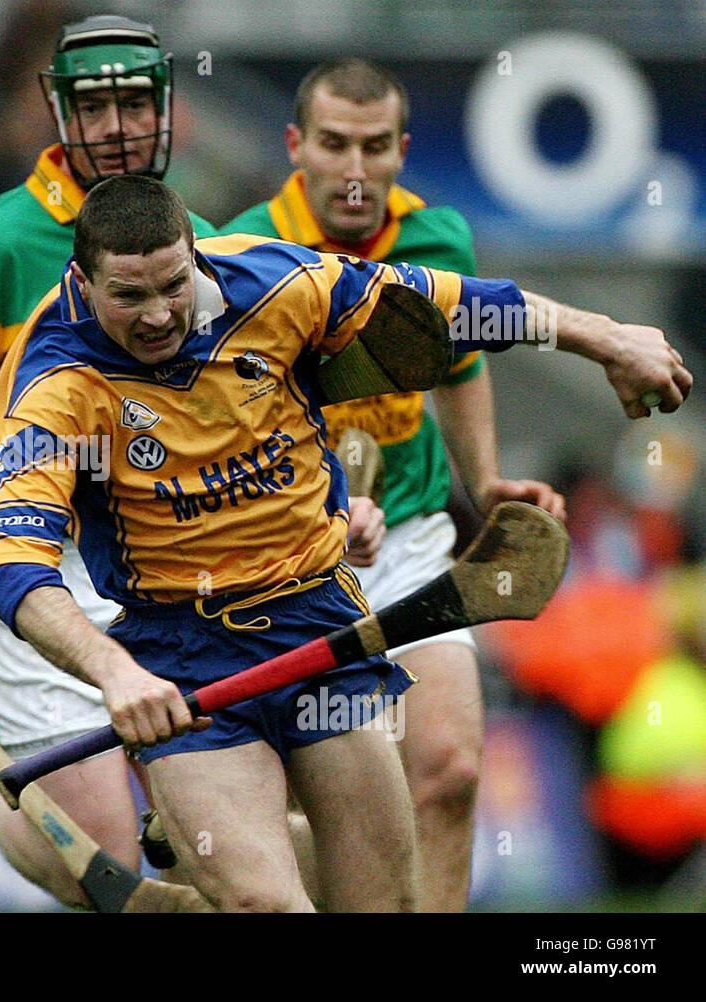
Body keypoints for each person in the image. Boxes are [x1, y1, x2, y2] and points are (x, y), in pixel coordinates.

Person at [0, 173, 689, 912]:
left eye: (173, 285)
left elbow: (449, 307)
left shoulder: (275, 281)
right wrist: (113, 672)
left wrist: (604, 337)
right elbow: (12, 564)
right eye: (128, 296)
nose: (158, 315)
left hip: (320, 623)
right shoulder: (49, 383)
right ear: (82, 281)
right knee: (270, 907)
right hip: (182, 657)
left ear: (196, 256)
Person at [0, 14, 230, 908]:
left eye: (134, 102)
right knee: (98, 872)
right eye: (93, 106)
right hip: (31, 568)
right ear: (54, 112)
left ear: (167, 107)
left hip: (175, 567)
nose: (116, 127)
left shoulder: (207, 245)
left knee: (223, 841)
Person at [219, 59, 567, 910]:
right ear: (297, 145)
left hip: (410, 539)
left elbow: (461, 362)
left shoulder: (439, 238)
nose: (354, 168)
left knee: (449, 769)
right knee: (311, 808)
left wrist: (483, 483)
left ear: (401, 151)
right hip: (288, 559)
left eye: (375, 147)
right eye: (334, 143)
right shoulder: (242, 251)